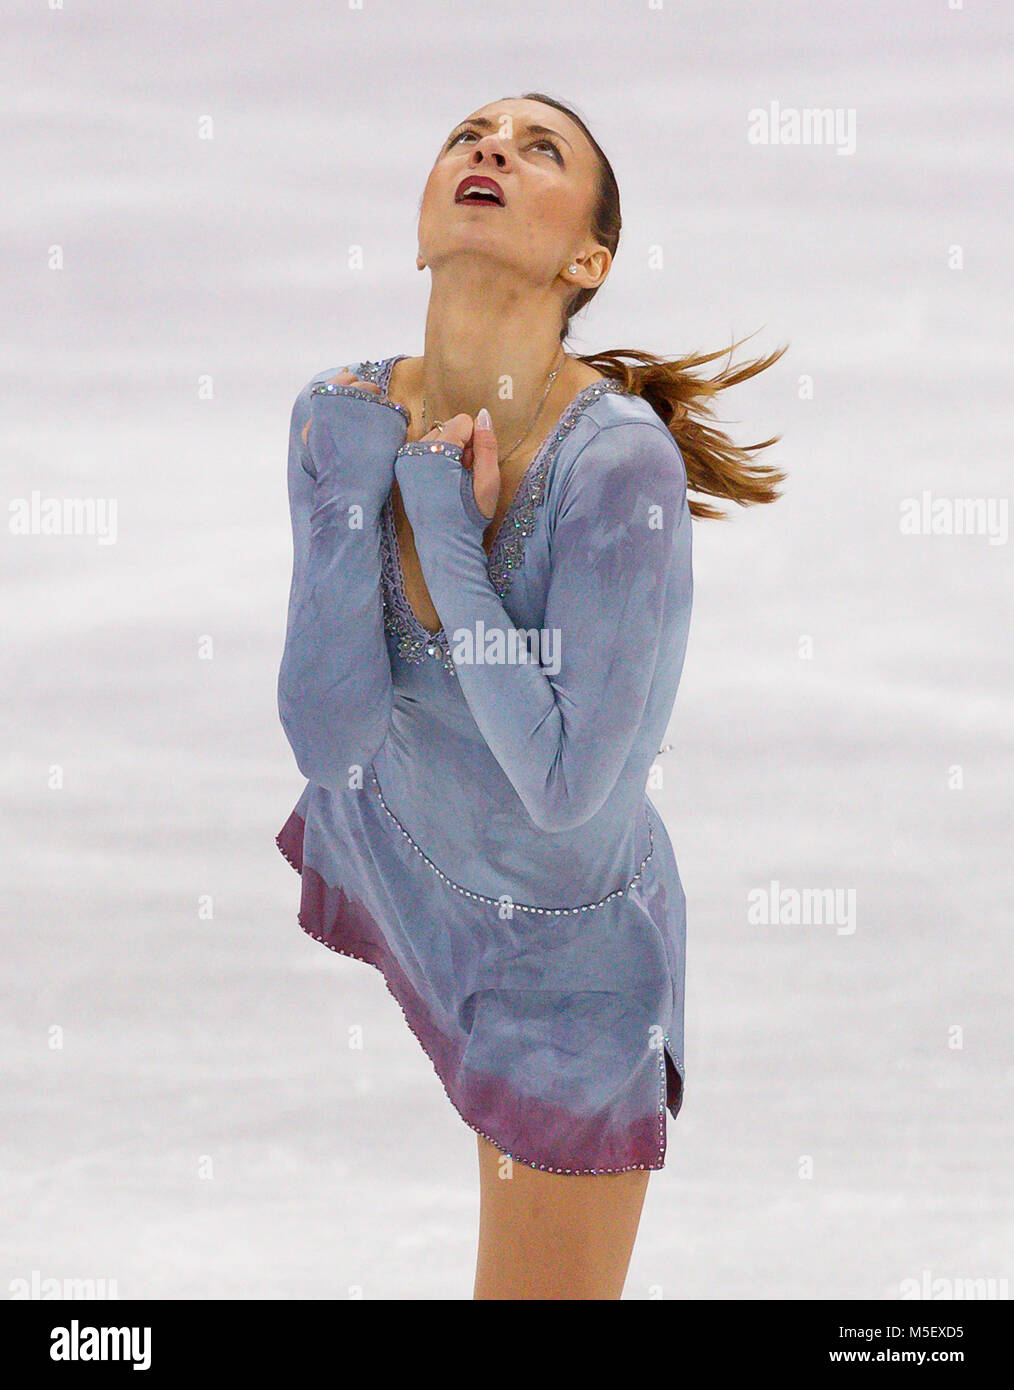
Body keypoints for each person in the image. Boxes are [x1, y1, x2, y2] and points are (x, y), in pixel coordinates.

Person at [276, 93, 786, 1300]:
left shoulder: (617, 469)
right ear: (419, 228)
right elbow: (332, 737)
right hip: (416, 872)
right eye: (466, 135)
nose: (491, 147)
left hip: (570, 963)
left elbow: (559, 788)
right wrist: (362, 498)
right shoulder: (336, 414)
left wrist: (446, 539)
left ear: (586, 259)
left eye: (538, 148)